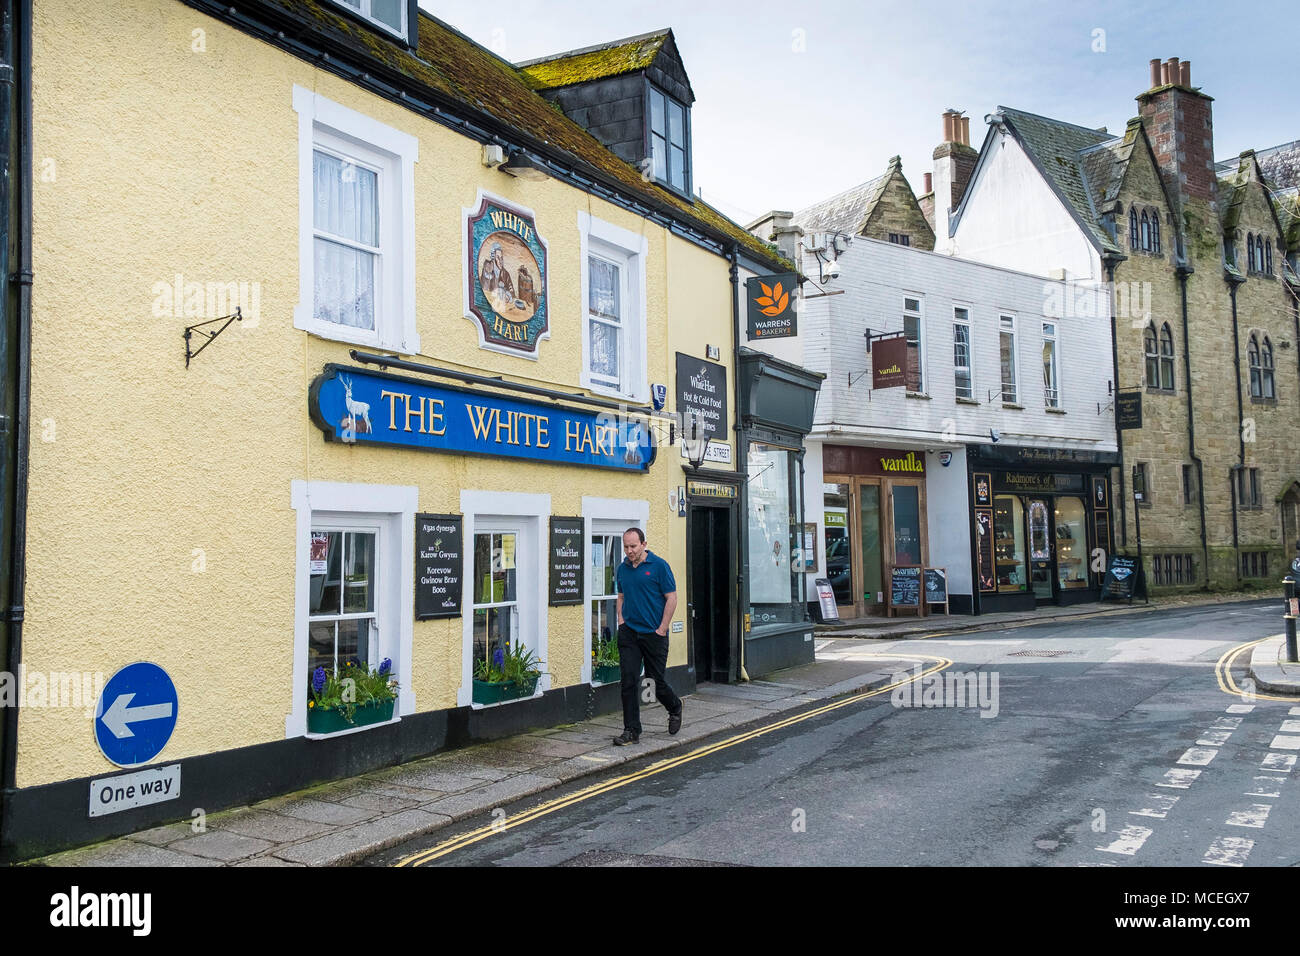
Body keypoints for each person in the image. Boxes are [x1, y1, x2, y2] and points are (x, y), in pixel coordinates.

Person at [612, 527, 682, 745]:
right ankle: (631, 731)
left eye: (633, 546)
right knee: (629, 681)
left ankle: (674, 707)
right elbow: (621, 596)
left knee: (653, 681)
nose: (629, 551)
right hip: (630, 633)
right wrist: (621, 622)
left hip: (654, 634)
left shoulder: (659, 566)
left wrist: (662, 628)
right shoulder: (622, 569)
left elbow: (671, 598)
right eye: (626, 546)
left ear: (644, 544)